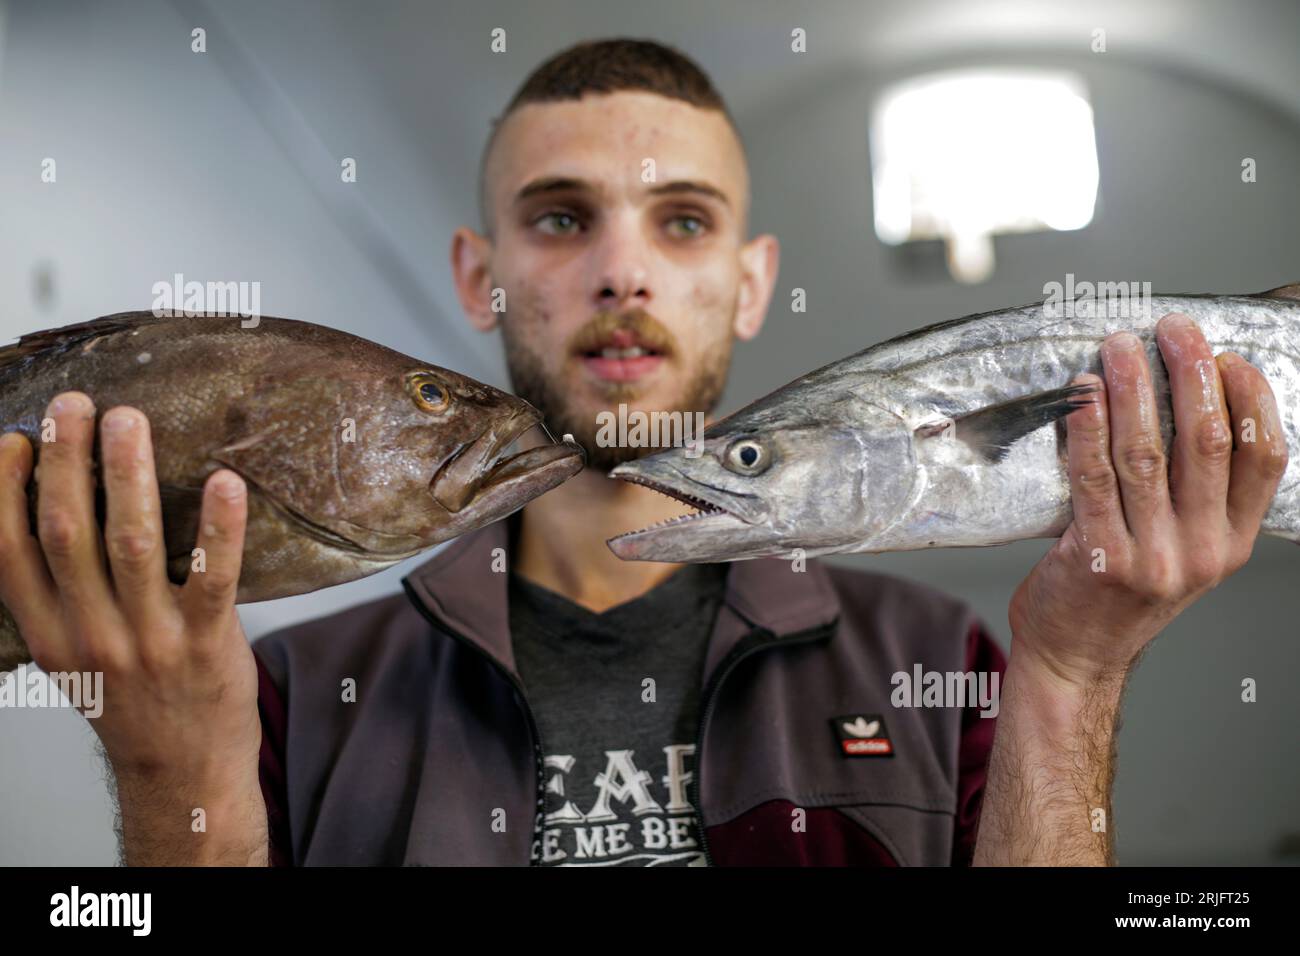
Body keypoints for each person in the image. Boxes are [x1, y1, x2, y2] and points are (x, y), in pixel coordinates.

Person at [0, 39, 1285, 867]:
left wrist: (1074, 670)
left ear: (745, 283)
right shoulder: (277, 691)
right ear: (479, 275)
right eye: (561, 219)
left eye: (682, 222)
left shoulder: (948, 665)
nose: (621, 269)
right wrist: (172, 768)